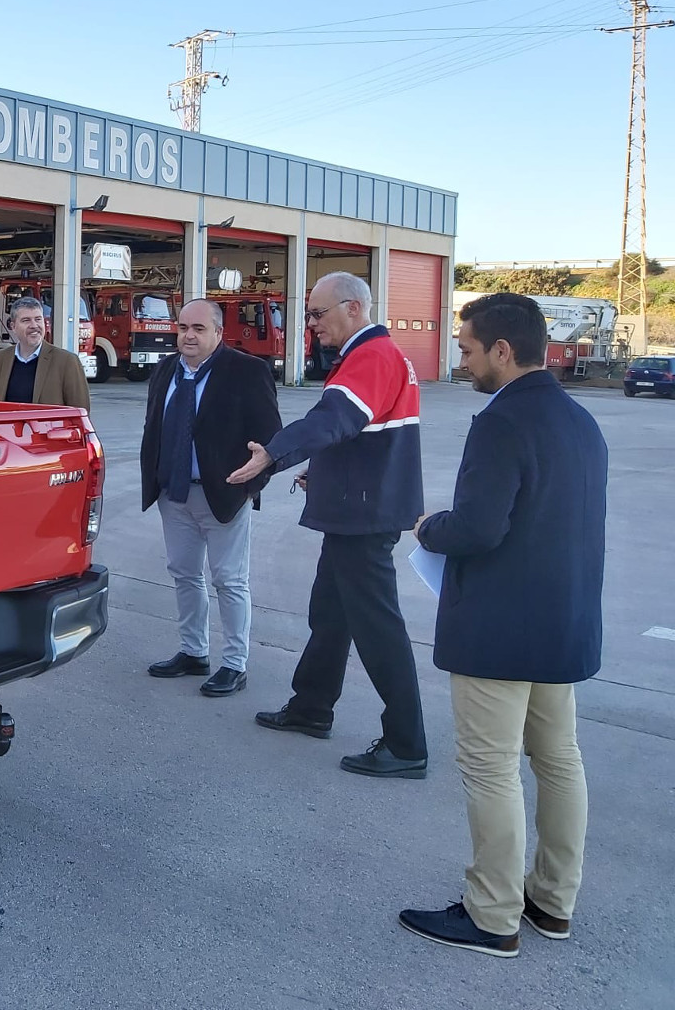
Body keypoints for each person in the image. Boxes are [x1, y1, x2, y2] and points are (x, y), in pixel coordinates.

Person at [398, 293, 607, 958]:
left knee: (491, 770)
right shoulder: (581, 421)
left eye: (466, 350)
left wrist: (429, 527)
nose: (461, 361)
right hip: (563, 623)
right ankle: (552, 901)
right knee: (560, 761)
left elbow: (478, 528)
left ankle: (492, 914)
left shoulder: (501, 423)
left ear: (503, 350)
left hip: (498, 630)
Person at [227, 272, 428, 777]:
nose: (312, 324)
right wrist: (321, 472)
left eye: (318, 314)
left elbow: (333, 419)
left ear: (353, 308)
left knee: (378, 628)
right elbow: (360, 434)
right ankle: (311, 707)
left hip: (364, 515)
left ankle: (406, 744)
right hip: (357, 509)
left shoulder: (371, 356)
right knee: (331, 615)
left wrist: (273, 453)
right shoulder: (374, 355)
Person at [140, 299, 283, 696]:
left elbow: (271, 440)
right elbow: (154, 426)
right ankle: (193, 652)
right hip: (174, 493)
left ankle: (234, 663)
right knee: (184, 574)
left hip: (223, 496)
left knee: (229, 580)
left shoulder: (247, 371)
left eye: (199, 328)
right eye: (183, 327)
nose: (188, 335)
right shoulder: (165, 370)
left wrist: (249, 488)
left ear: (219, 332)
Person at [0, 296, 91, 409]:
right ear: (13, 326)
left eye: (38, 319)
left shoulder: (67, 361)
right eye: (26, 320)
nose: (34, 325)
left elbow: (81, 411)